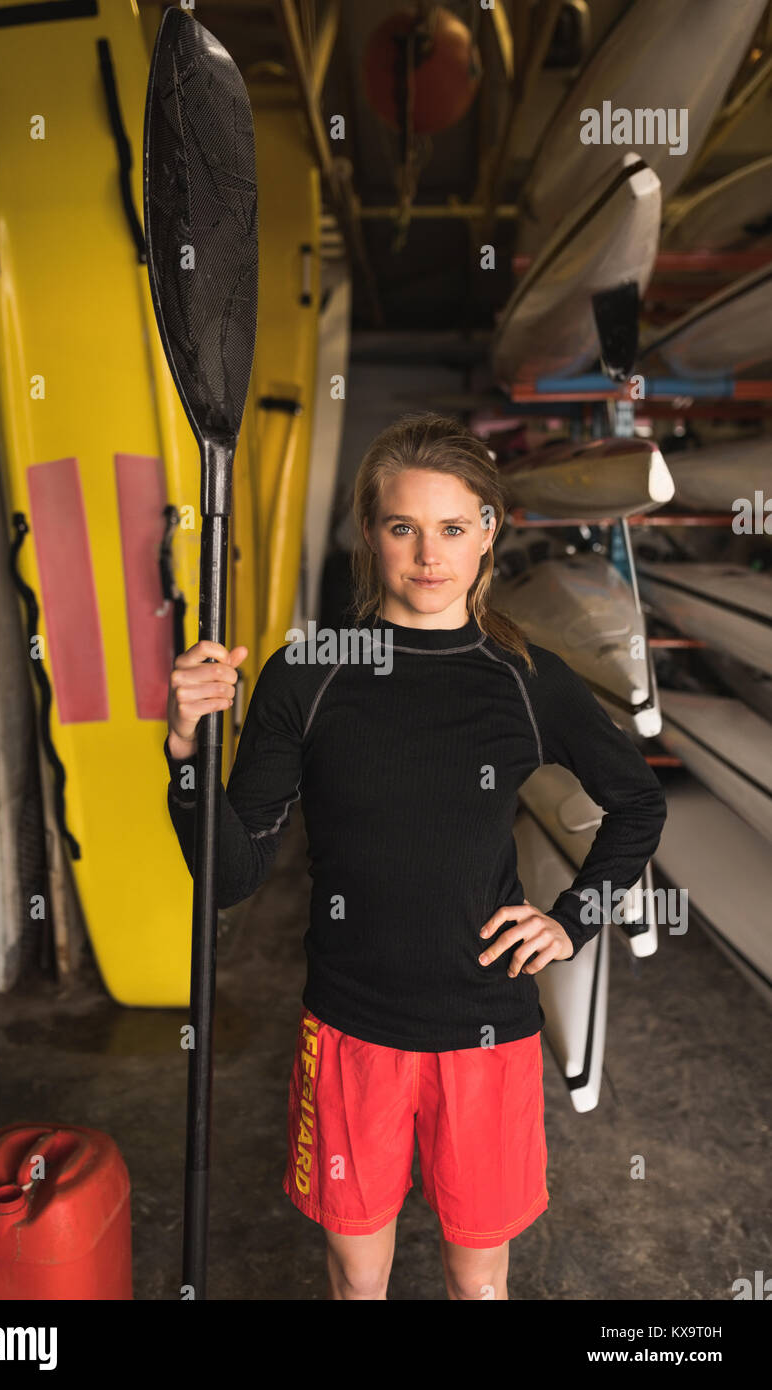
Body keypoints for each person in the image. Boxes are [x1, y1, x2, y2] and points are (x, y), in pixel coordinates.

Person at [164, 412, 667, 1300]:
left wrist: (571, 921)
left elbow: (636, 802)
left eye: (451, 528)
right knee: (361, 1284)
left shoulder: (524, 677)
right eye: (403, 527)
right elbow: (231, 876)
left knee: (479, 1286)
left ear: (487, 534)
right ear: (369, 533)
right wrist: (185, 754)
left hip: (487, 1031)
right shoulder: (308, 673)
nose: (428, 555)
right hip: (353, 1029)